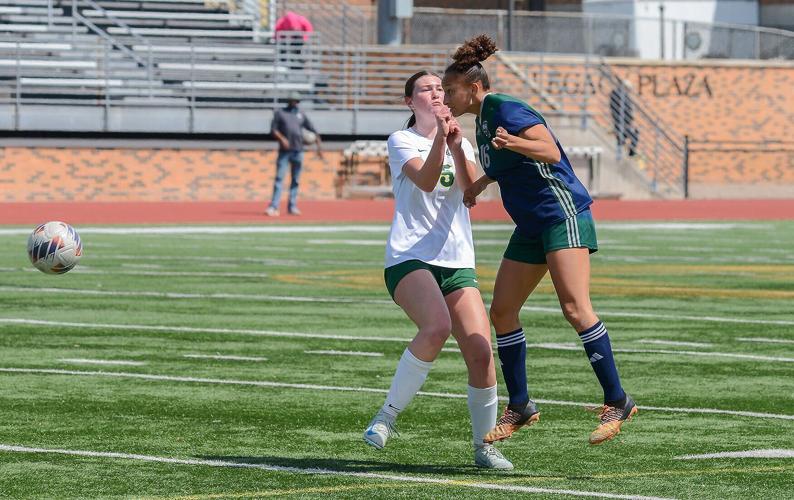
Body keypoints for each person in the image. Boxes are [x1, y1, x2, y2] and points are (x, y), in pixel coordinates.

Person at [441, 34, 638, 445]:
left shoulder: (505, 108)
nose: (445, 98)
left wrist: (513, 140)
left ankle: (618, 399)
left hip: (560, 213)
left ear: (473, 88)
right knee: (502, 312)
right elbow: (505, 163)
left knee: (575, 308)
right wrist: (479, 184)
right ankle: (521, 404)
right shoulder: (482, 119)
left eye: (450, 91)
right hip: (531, 224)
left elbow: (549, 151)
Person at [362, 70, 513, 469]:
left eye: (439, 88)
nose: (435, 93)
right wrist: (440, 144)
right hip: (409, 255)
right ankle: (386, 417)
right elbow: (427, 181)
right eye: (425, 89)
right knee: (436, 327)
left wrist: (458, 146)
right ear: (410, 102)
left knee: (481, 352)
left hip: (456, 259)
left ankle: (485, 444)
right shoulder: (402, 140)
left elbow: (471, 193)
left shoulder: (456, 141)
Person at [266, 91, 322, 217]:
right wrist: (282, 139)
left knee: (295, 180)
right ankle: (273, 206)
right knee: (279, 179)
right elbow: (273, 130)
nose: (294, 103)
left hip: (298, 151)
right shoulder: (280, 113)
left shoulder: (301, 114)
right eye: (292, 100)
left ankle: (292, 206)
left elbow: (313, 130)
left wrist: (319, 148)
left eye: (296, 101)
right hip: (285, 152)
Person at [609, 79, 639, 157]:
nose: (628, 90)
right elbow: (618, 110)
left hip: (625, 123)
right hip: (621, 123)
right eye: (627, 88)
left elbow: (628, 111)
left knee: (634, 133)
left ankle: (630, 151)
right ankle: (626, 151)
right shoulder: (618, 95)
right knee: (631, 134)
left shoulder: (624, 96)